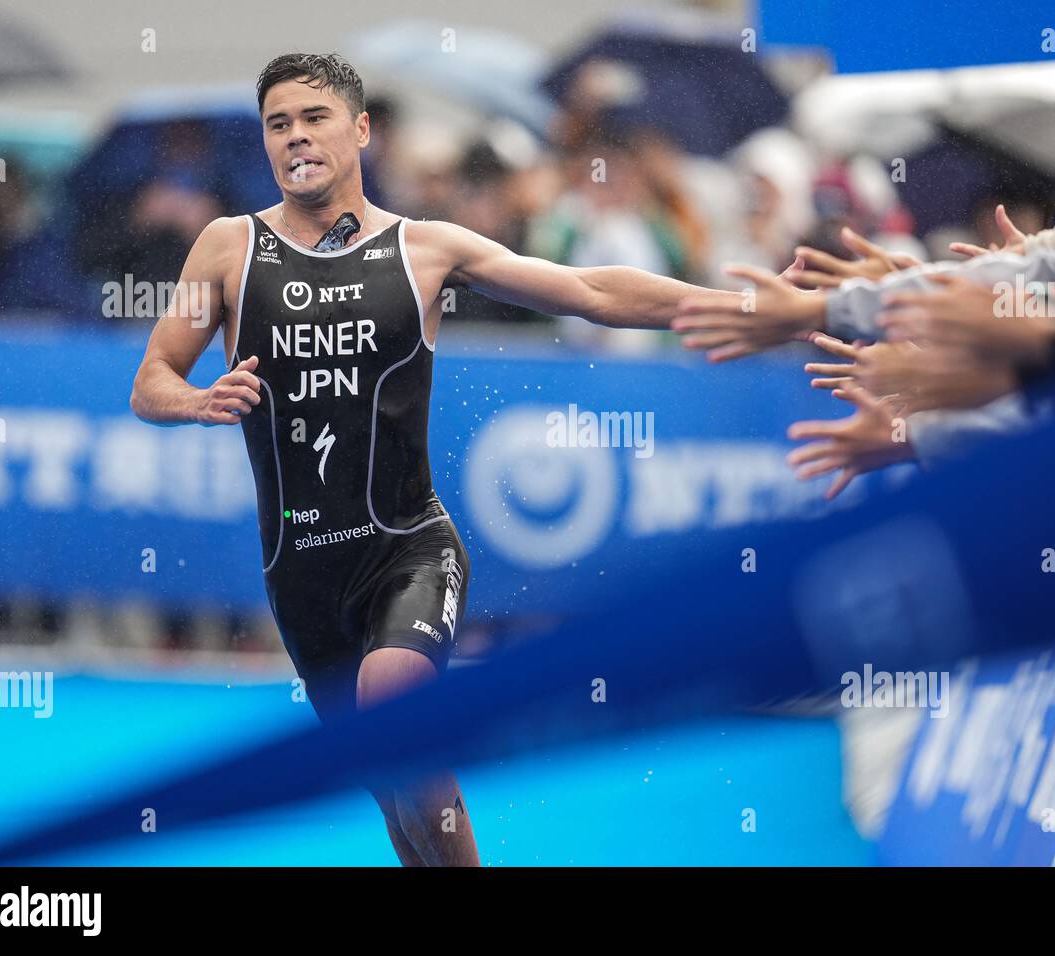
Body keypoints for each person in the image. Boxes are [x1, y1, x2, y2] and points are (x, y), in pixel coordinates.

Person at [128, 53, 738, 868]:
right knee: (394, 786)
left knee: (398, 719)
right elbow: (150, 380)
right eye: (279, 124)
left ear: (361, 130)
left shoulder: (427, 250)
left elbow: (588, 289)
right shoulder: (228, 249)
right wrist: (196, 400)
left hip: (408, 548)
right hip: (300, 575)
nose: (296, 137)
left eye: (315, 118)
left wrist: (736, 306)